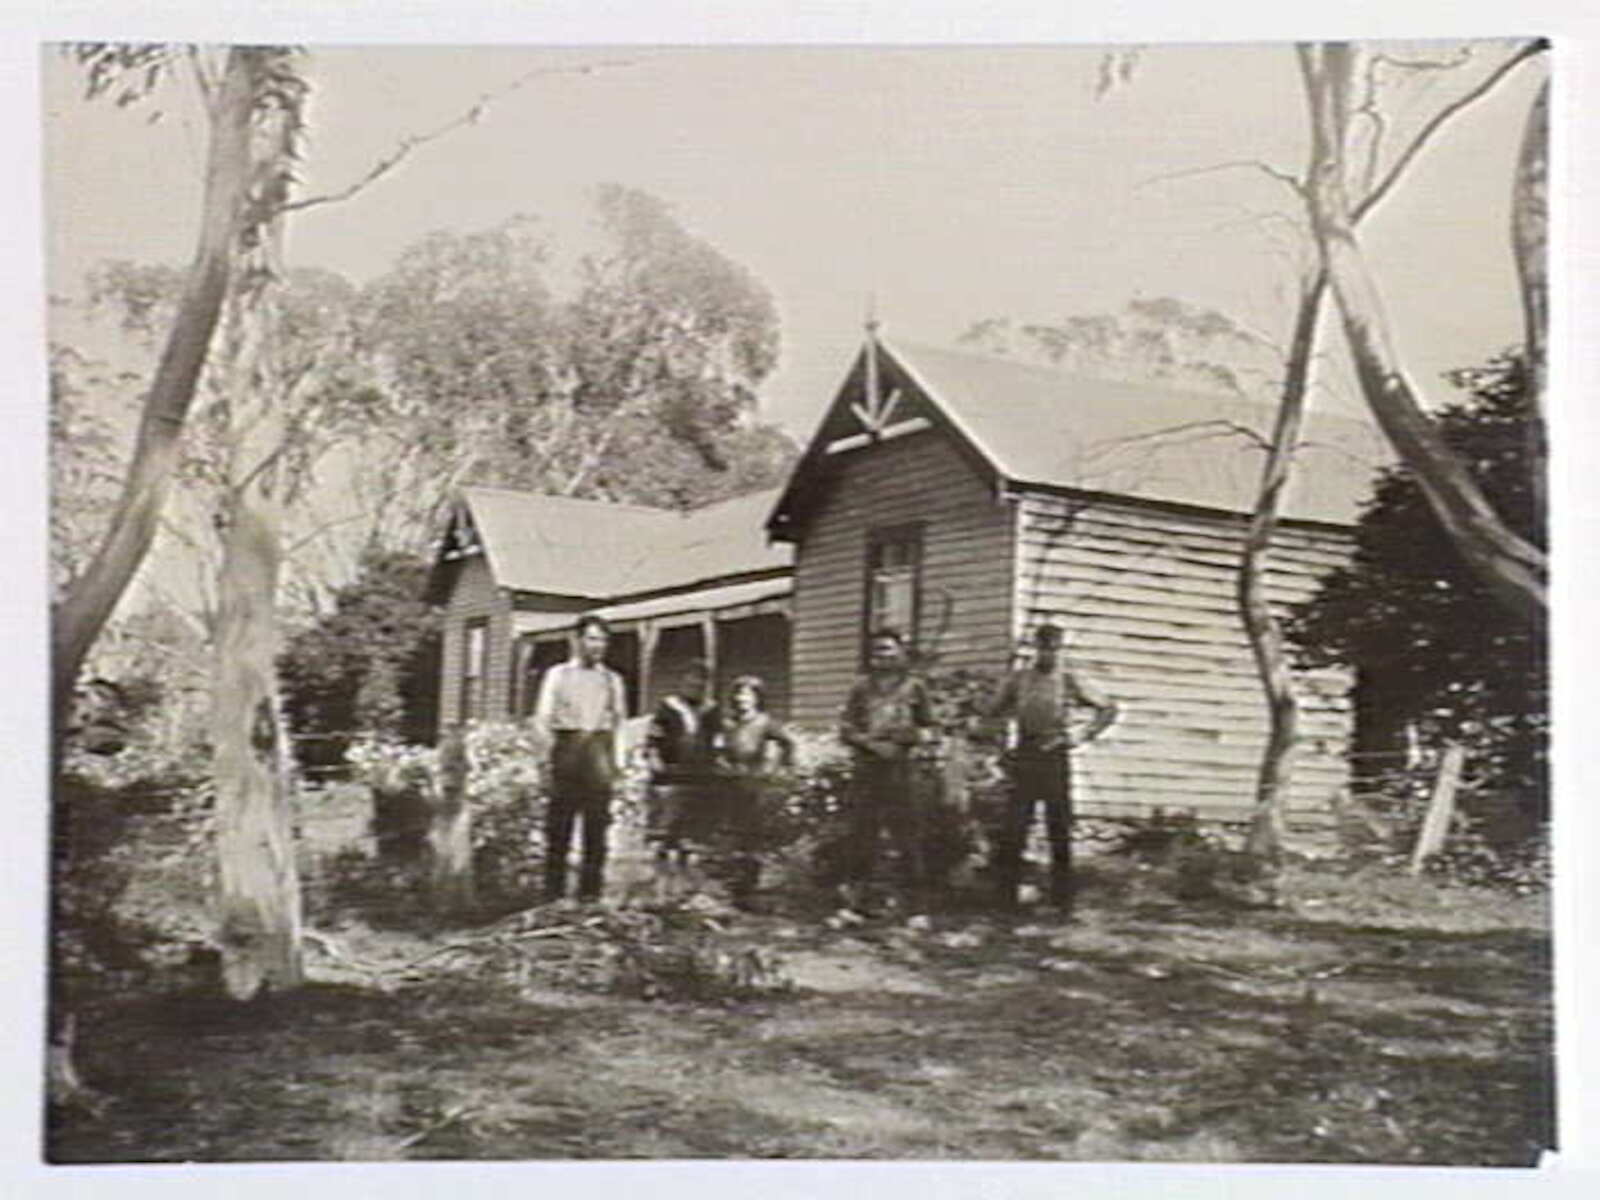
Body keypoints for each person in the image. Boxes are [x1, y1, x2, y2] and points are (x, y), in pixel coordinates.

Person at [987, 622, 1118, 913]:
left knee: (1058, 826)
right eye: (1043, 647)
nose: (1049, 654)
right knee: (1015, 827)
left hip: (1055, 754)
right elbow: (992, 711)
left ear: (1061, 648)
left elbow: (1108, 708)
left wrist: (1081, 734)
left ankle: (1062, 900)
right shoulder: (1020, 678)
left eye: (1055, 648)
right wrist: (1001, 744)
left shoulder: (1070, 678)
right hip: (1025, 754)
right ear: (1036, 648)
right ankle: (1004, 900)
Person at [531, 614, 628, 904]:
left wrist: (619, 763)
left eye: (602, 639)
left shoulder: (612, 680)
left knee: (596, 830)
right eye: (591, 638)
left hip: (599, 751)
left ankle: (590, 896)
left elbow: (620, 722)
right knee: (559, 828)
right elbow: (542, 718)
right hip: (567, 749)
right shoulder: (558, 675)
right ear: (577, 640)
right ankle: (553, 896)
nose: (597, 645)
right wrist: (544, 760)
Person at [838, 627, 936, 898]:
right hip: (867, 766)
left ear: (900, 652)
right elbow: (846, 728)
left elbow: (930, 728)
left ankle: (914, 897)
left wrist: (905, 737)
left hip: (900, 766)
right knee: (862, 831)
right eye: (877, 650)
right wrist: (869, 743)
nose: (882, 656)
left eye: (888, 649)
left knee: (906, 832)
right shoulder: (861, 687)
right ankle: (858, 896)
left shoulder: (914, 686)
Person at [713, 674, 795, 908]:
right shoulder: (727, 724)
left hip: (758, 785)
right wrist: (721, 762)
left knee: (753, 835)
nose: (742, 699)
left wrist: (779, 768)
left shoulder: (765, 722)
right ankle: (731, 886)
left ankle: (748, 886)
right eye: (738, 694)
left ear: (758, 698)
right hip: (730, 783)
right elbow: (718, 749)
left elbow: (787, 744)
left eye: (748, 695)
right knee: (730, 833)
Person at [644, 659, 721, 895]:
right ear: (682, 681)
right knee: (666, 829)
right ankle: (661, 880)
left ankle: (688, 882)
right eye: (691, 679)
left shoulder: (711, 710)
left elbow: (717, 741)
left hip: (700, 777)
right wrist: (654, 759)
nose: (695, 684)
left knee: (692, 833)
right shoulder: (668, 707)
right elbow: (653, 739)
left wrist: (718, 761)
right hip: (670, 775)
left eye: (701, 680)